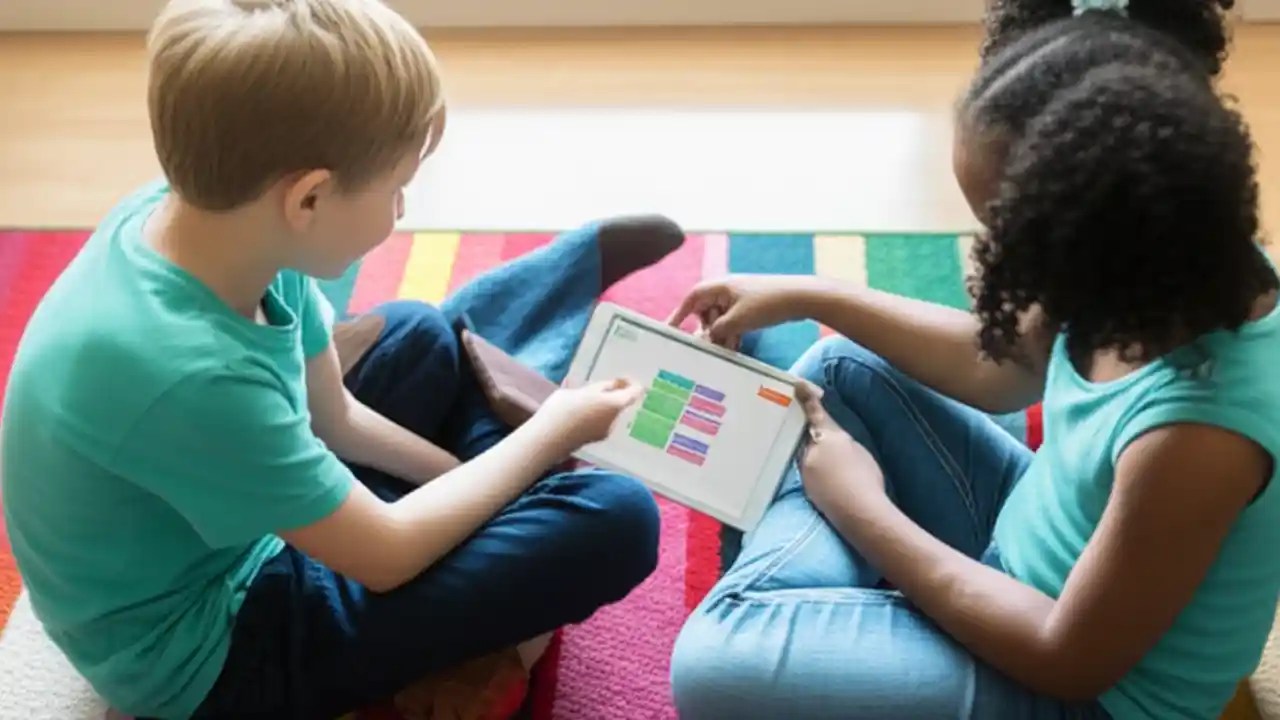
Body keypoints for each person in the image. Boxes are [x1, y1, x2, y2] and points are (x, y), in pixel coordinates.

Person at [0, 1, 668, 718]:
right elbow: (385, 555)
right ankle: (470, 632)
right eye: (395, 188)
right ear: (309, 197)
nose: (403, 209)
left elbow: (336, 418)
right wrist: (549, 438)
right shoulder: (190, 375)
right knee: (618, 517)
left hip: (241, 511)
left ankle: (494, 480)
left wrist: (481, 489)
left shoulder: (210, 222)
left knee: (419, 337)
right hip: (219, 647)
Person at [667, 1, 1280, 718]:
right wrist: (812, 294)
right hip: (1020, 555)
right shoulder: (1155, 264)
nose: (992, 254)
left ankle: (820, 599)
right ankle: (840, 611)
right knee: (838, 373)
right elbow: (997, 371)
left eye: (1006, 231)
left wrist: (861, 509)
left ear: (1091, 227)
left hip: (1083, 694)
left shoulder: (1201, 434)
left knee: (717, 662)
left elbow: (1068, 658)